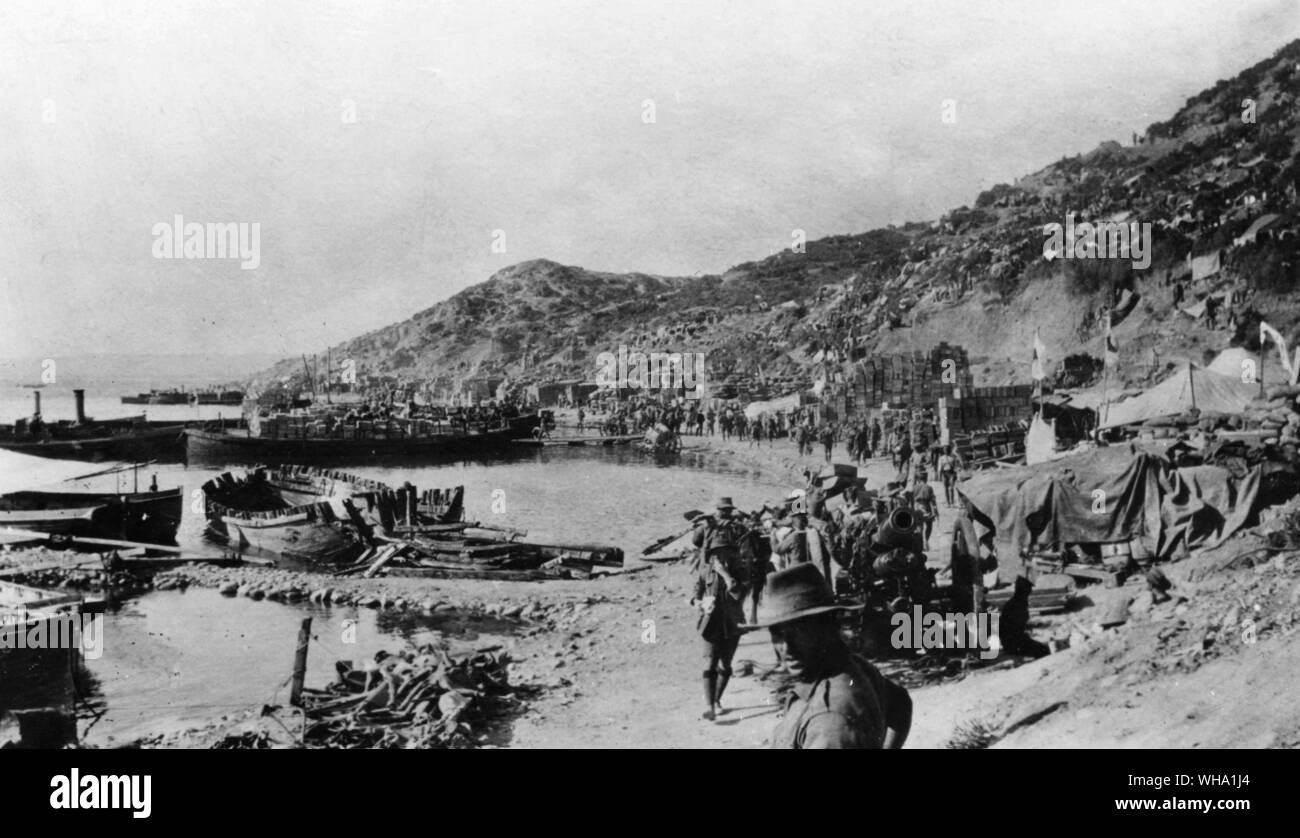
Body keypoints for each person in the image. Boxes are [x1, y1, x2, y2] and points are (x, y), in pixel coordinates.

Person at [750, 564, 912, 749]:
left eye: (800, 631)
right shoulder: (852, 665)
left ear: (827, 626)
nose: (787, 648)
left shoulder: (828, 721)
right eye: (778, 633)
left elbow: (901, 704)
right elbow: (901, 703)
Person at [690, 498, 751, 721]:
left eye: (723, 551)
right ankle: (710, 706)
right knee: (709, 662)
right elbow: (695, 592)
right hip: (711, 619)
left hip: (732, 620)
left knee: (726, 664)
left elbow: (739, 593)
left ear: (731, 552)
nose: (718, 555)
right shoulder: (706, 570)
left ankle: (717, 699)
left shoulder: (740, 571)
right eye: (715, 552)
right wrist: (698, 602)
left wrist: (726, 574)